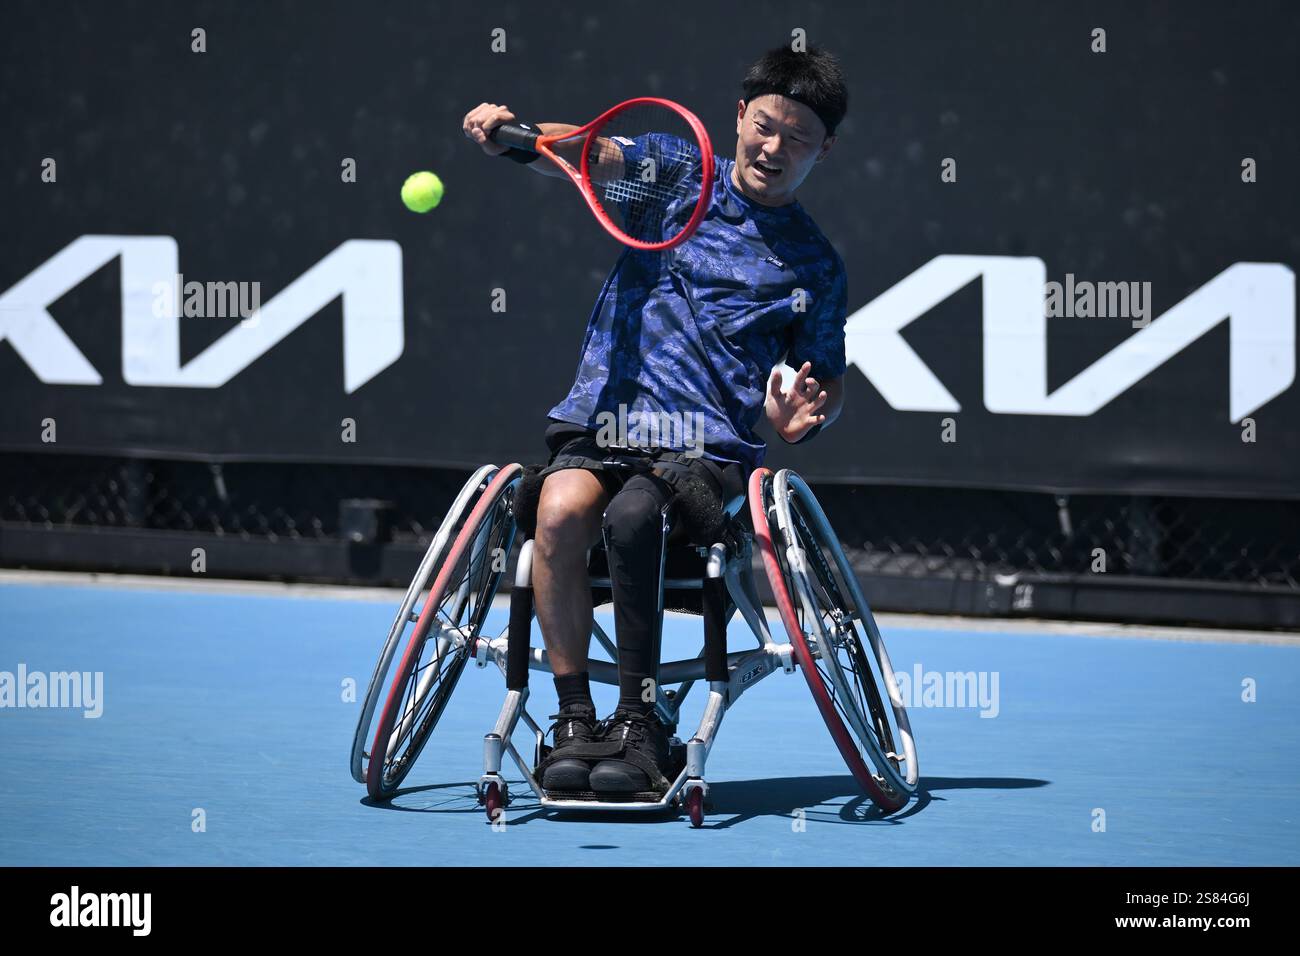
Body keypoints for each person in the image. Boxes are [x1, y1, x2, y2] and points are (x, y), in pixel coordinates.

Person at [462, 45, 850, 794]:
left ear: (823, 150)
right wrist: (521, 134)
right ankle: (575, 718)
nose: (775, 148)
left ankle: (640, 724)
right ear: (739, 117)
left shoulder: (816, 266)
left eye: (798, 138)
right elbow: (592, 154)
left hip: (704, 447)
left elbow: (821, 383)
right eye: (765, 126)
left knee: (638, 513)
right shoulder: (677, 176)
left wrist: (804, 414)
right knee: (559, 508)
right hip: (604, 421)